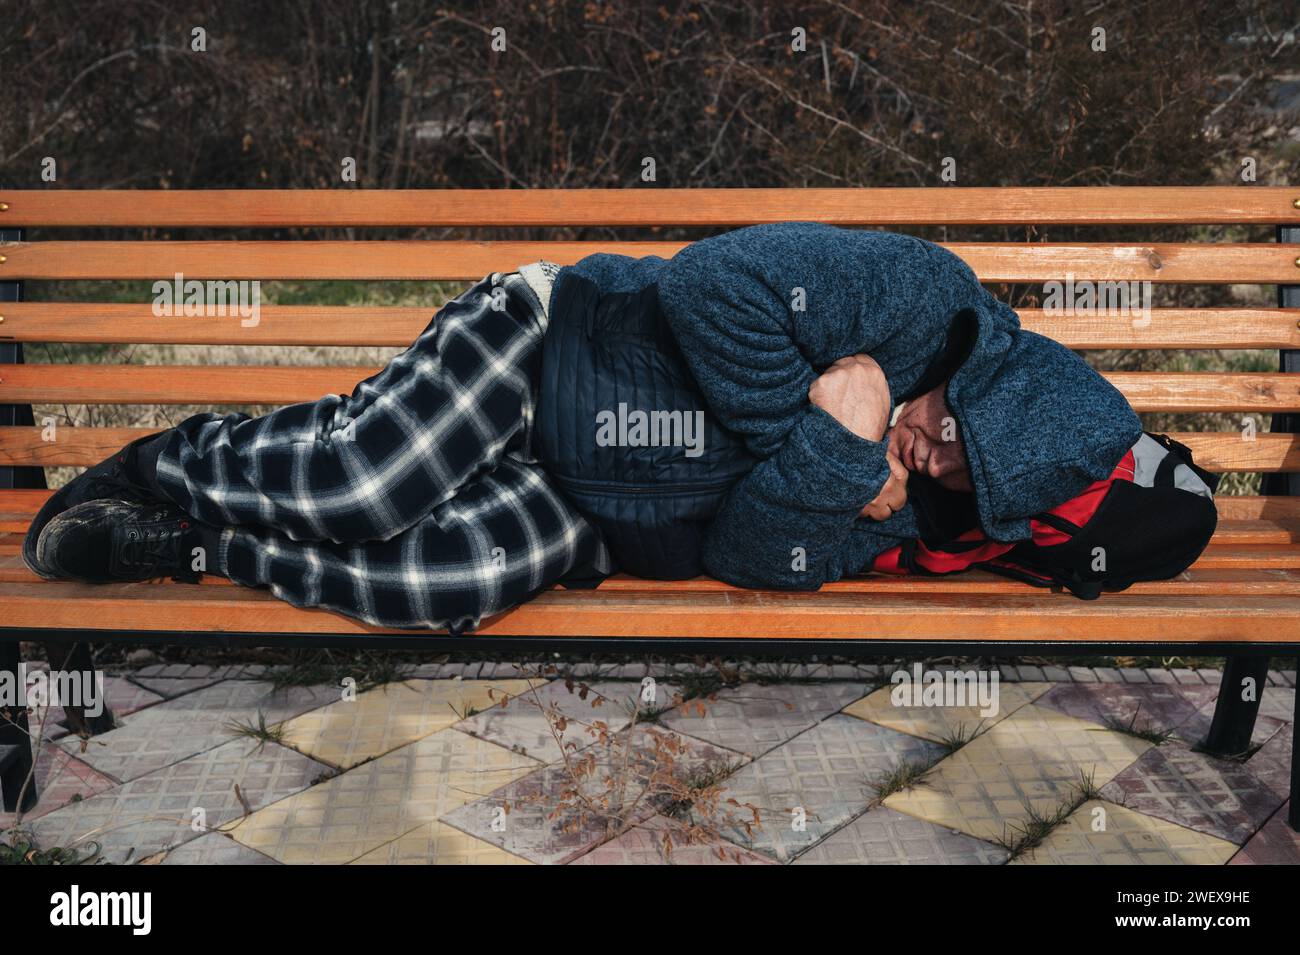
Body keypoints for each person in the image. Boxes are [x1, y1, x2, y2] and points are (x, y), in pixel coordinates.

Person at [23, 223, 1153, 630]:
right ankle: (159, 464)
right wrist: (821, 426)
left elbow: (747, 554)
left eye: (960, 473)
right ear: (982, 380)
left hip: (598, 517)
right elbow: (715, 284)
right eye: (949, 428)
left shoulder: (904, 513)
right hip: (550, 352)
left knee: (444, 582)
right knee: (364, 487)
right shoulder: (918, 296)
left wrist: (836, 456)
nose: (929, 455)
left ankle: (185, 547)